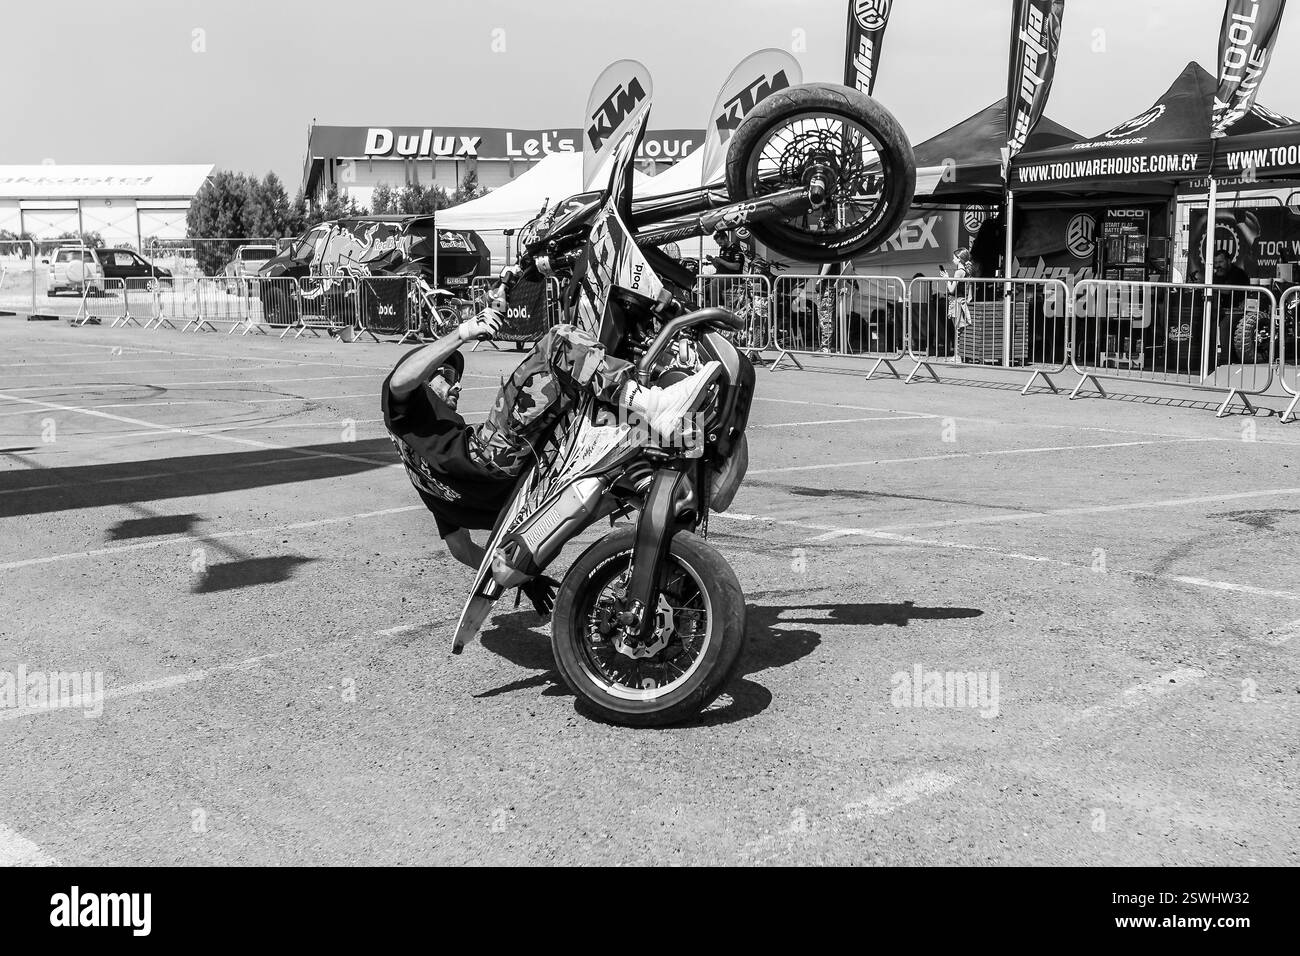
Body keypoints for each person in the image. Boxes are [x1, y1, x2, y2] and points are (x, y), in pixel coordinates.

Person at [381, 288, 723, 614]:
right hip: (490, 455)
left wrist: (520, 577)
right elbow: (399, 380)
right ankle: (652, 402)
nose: (455, 385)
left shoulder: (429, 482)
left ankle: (671, 461)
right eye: (444, 375)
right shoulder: (406, 410)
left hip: (525, 489)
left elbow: (461, 550)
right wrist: (463, 332)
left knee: (589, 422)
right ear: (424, 378)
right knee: (559, 341)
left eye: (456, 378)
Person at [938, 248, 973, 362]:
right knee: (958, 329)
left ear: (959, 259)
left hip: (957, 301)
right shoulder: (965, 271)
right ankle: (957, 355)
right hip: (959, 301)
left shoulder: (959, 272)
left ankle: (957, 356)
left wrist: (946, 279)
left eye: (954, 257)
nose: (953, 259)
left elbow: (952, 289)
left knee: (957, 329)